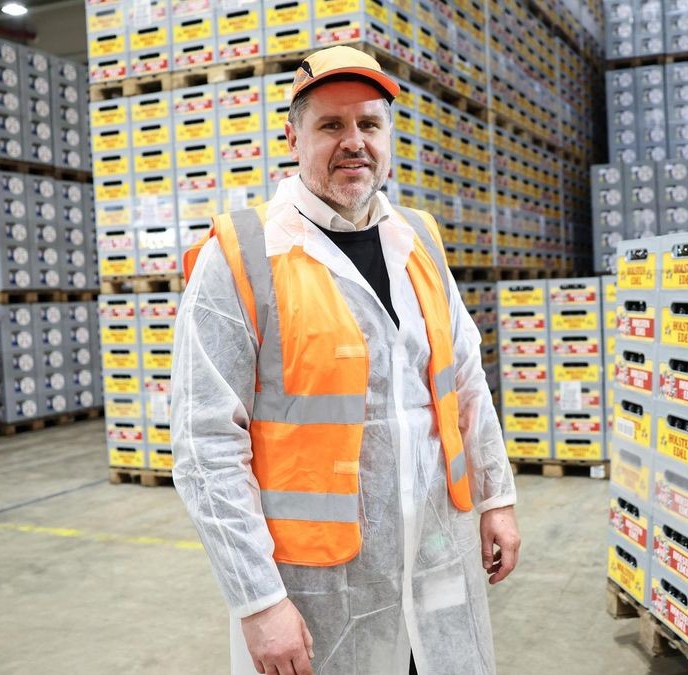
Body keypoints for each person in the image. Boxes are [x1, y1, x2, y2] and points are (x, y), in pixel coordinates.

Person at [171, 45, 519, 675]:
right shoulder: (243, 254)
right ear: (293, 137)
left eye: (369, 124)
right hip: (317, 590)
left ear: (387, 137)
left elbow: (466, 380)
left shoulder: (418, 240)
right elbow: (205, 447)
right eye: (331, 125)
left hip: (436, 556)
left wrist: (497, 497)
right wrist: (258, 602)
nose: (354, 142)